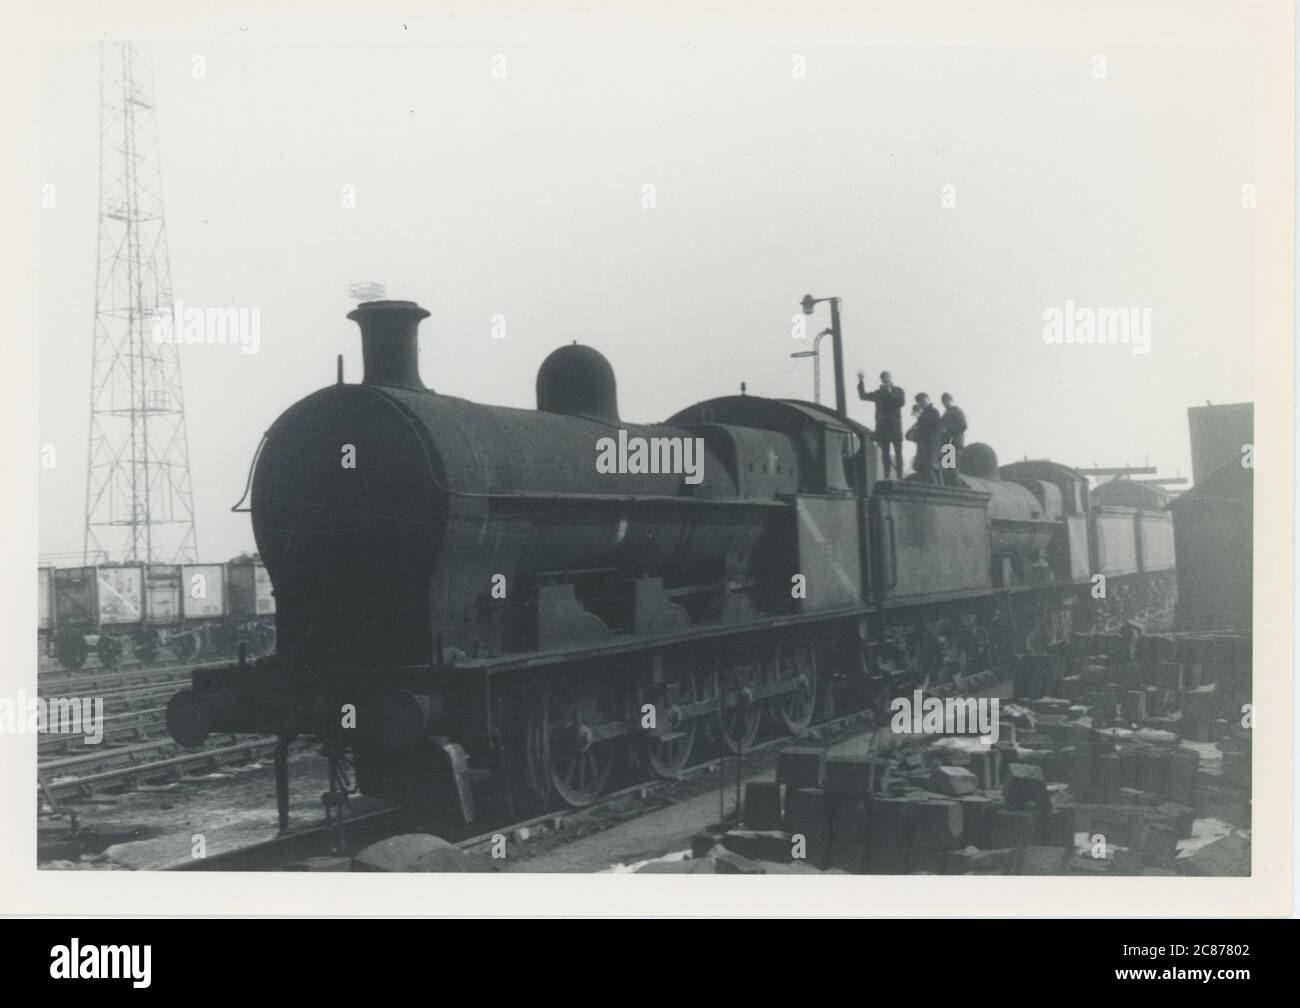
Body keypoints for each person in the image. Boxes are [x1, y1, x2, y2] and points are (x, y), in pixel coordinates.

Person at [856, 369, 905, 479]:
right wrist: (860, 381)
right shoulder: (878, 393)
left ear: (891, 379)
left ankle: (900, 475)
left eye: (887, 378)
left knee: (898, 452)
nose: (885, 380)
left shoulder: (898, 391)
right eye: (883, 378)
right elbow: (863, 396)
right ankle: (887, 474)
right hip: (883, 427)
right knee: (885, 453)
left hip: (895, 426)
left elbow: (901, 402)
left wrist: (889, 392)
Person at [912, 392, 942, 484]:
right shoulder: (923, 413)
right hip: (924, 445)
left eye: (923, 400)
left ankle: (938, 490)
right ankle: (938, 488)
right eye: (920, 401)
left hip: (931, 445)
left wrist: (921, 418)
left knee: (930, 467)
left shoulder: (934, 412)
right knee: (927, 468)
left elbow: (936, 428)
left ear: (928, 399)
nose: (922, 402)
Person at [939, 392, 967, 486]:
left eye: (946, 401)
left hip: (955, 443)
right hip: (947, 444)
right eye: (943, 402)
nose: (945, 403)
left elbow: (963, 426)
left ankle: (959, 491)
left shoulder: (957, 411)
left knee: (952, 469)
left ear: (951, 400)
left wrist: (948, 429)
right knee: (946, 469)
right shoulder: (945, 414)